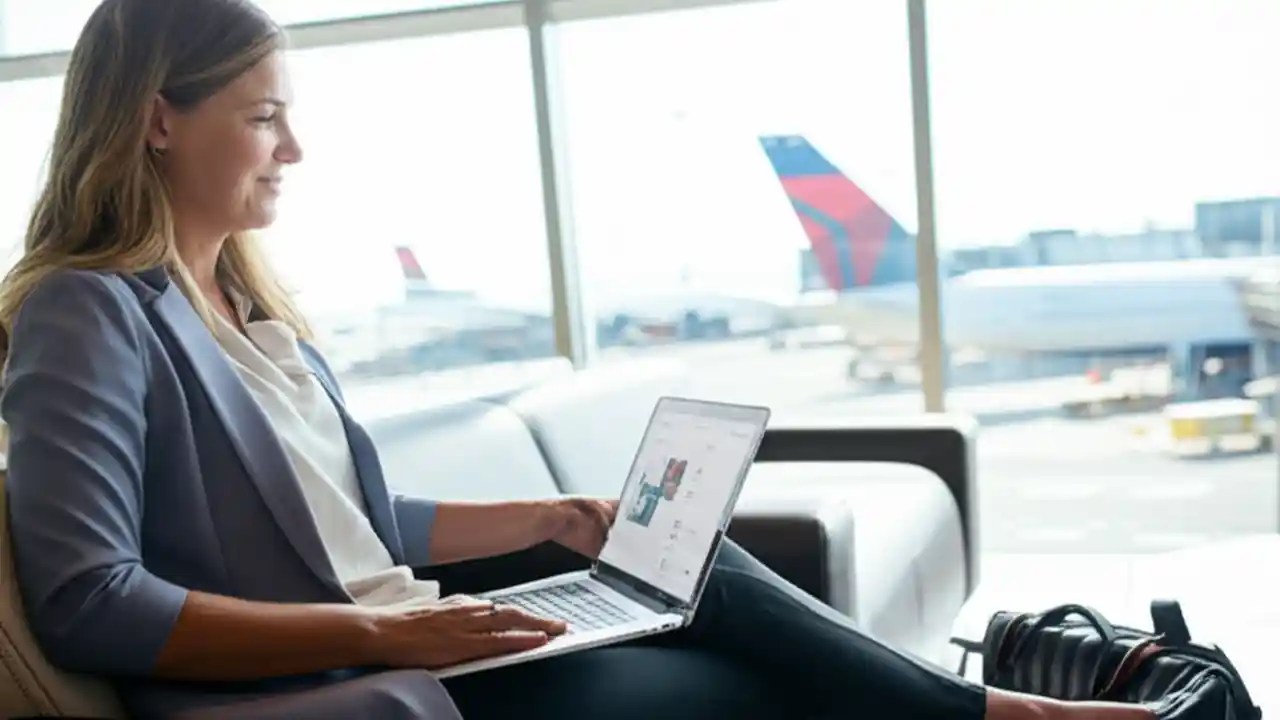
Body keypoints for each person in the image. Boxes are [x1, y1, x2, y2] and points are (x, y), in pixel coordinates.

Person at [0, 1, 1196, 719]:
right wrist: (388, 637)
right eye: (263, 114)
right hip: (339, 681)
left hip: (420, 636)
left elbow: (352, 523)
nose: (294, 148)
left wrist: (547, 516)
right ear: (156, 117)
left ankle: (993, 711)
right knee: (767, 696)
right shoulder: (87, 312)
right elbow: (90, 602)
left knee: (663, 556)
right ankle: (1002, 713)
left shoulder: (247, 308)